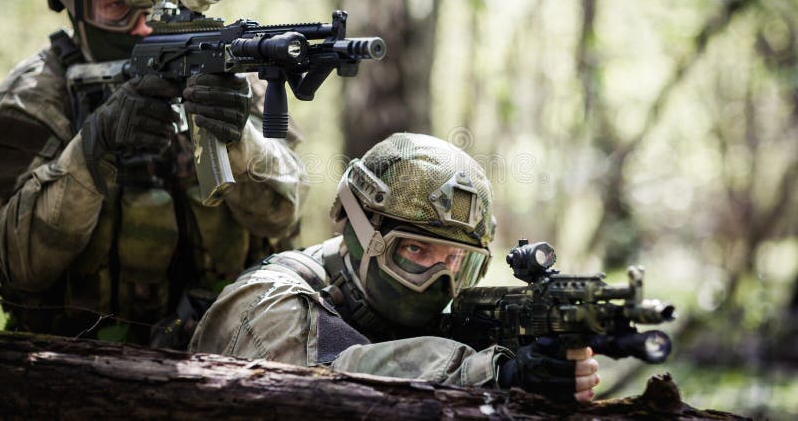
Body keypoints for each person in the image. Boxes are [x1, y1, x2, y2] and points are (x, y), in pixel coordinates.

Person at [0, 0, 306, 348]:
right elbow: (17, 265)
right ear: (69, 6)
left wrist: (240, 139)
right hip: (76, 355)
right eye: (116, 6)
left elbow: (283, 215)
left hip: (229, 348)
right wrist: (95, 146)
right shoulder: (33, 101)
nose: (142, 26)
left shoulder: (230, 78)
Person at [190, 133, 600, 402]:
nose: (441, 279)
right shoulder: (268, 303)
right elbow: (329, 381)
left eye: (457, 261)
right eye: (417, 251)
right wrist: (494, 374)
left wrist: (545, 369)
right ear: (361, 237)